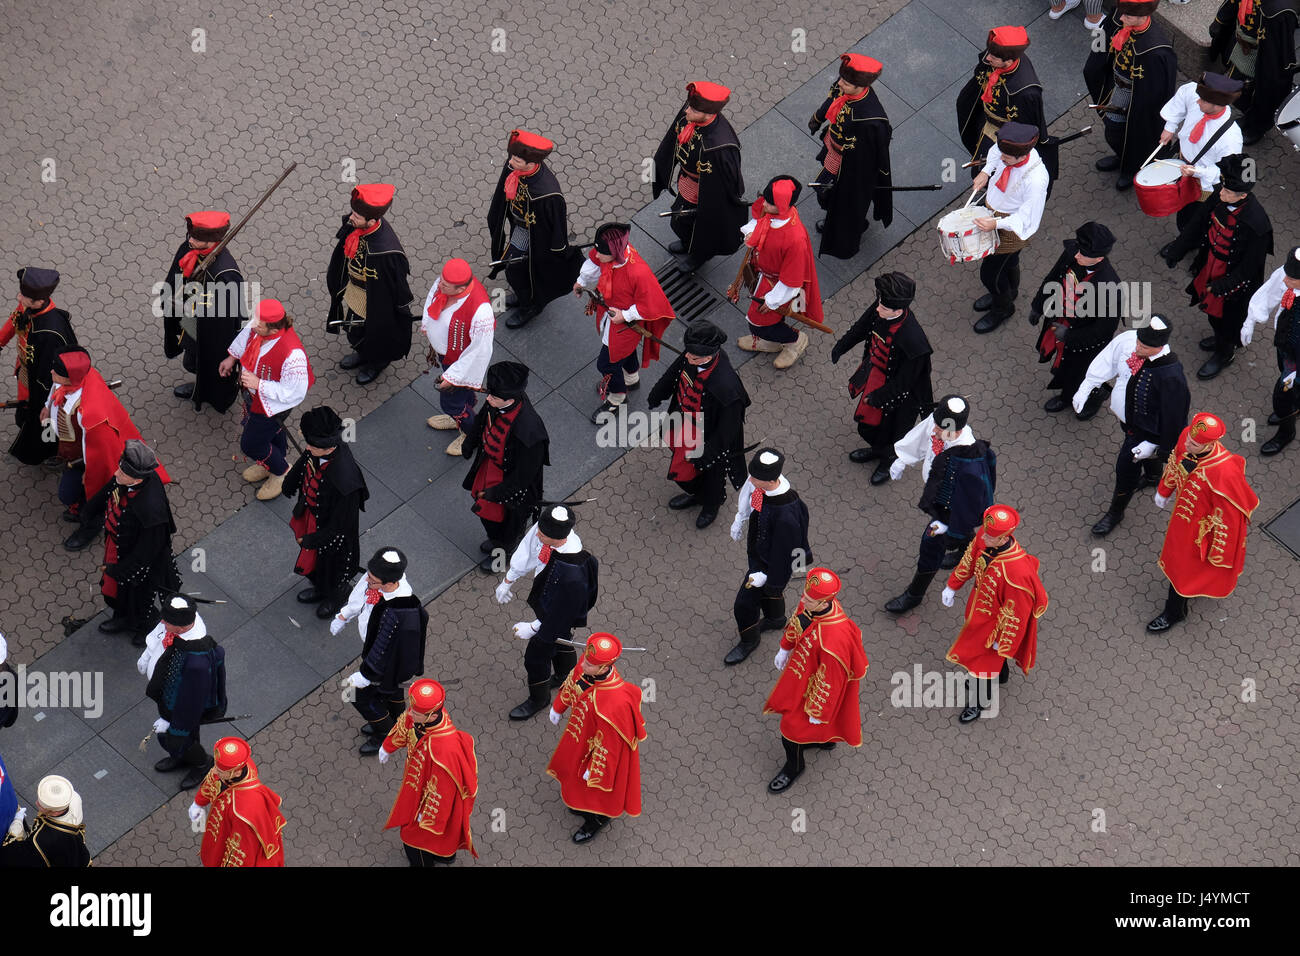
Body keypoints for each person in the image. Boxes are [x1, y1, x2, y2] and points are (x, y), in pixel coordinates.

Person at [1160, 154, 1273, 381]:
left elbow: (1249, 268)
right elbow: (1198, 222)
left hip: (1233, 283)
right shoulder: (1222, 197)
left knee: (1227, 320)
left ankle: (1225, 353)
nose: (1220, 193)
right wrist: (1177, 249)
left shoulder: (1257, 225)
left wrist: (1222, 287)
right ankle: (1222, 338)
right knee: (1214, 315)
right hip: (1211, 266)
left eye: (1228, 191)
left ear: (1243, 195)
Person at [1148, 412, 1259, 631]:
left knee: (1183, 570)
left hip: (1199, 532)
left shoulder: (1224, 473)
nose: (1187, 442)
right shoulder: (1188, 438)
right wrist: (1164, 490)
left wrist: (1217, 549)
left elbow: (1229, 518)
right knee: (1180, 563)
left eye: (1194, 443)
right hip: (1180, 519)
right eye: (1189, 437)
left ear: (1211, 444)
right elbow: (1175, 460)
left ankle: (1174, 611)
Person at [885, 395, 997, 612]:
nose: (934, 431)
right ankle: (965, 549)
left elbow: (971, 501)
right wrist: (902, 460)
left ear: (956, 432)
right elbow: (922, 435)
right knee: (951, 537)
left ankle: (914, 594)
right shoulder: (940, 423)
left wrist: (949, 522)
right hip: (938, 495)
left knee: (931, 544)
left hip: (948, 510)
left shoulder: (969, 462)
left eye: (940, 430)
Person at [941, 505, 1048, 724]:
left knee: (983, 669)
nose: (983, 536)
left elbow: (1017, 615)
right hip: (978, 612)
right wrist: (953, 585)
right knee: (987, 663)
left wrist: (1002, 642)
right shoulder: (986, 536)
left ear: (1004, 539)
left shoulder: (1017, 574)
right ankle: (1003, 674)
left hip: (995, 630)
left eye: (990, 536)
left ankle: (980, 701)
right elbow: (971, 559)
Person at [763, 568, 867, 792]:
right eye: (804, 595)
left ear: (824, 603)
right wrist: (785, 647)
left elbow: (830, 682)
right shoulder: (812, 604)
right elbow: (796, 623)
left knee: (789, 732)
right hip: (803, 674)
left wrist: (818, 713)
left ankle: (794, 767)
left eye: (808, 599)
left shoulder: (834, 640)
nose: (802, 600)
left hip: (813, 690)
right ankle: (824, 740)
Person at [51, 350, 171, 546]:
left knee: (93, 498)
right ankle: (80, 508)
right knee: (77, 493)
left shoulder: (92, 417)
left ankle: (90, 526)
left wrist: (88, 474)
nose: (51, 373)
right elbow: (55, 391)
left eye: (56, 372)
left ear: (69, 377)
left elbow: (98, 458)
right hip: (78, 450)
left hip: (92, 459)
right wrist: (48, 407)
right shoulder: (78, 377)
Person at [1088, 315, 1191, 536]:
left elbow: (1175, 419)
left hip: (1146, 435)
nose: (1137, 348)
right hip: (1134, 425)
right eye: (1137, 342)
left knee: (1125, 471)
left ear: (1159, 346)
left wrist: (1163, 449)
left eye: (1143, 345)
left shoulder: (1171, 376)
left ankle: (1116, 513)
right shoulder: (1146, 357)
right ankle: (1153, 476)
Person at [646, 318, 750, 529]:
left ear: (708, 356)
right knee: (684, 472)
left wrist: (707, 454)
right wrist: (657, 394)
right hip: (684, 425)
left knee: (711, 476)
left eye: (692, 356)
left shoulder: (727, 387)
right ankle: (696, 494)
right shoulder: (693, 356)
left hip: (709, 440)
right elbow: (674, 373)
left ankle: (711, 504)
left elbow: (727, 430)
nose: (686, 357)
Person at [831, 271, 932, 483]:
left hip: (901, 396)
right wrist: (842, 346)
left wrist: (877, 398)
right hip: (876, 377)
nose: (877, 309)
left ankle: (888, 462)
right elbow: (862, 325)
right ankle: (877, 450)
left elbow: (906, 382)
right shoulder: (883, 307)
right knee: (869, 426)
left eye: (883, 308)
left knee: (895, 434)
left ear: (898, 309)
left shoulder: (914, 341)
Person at [546, 633, 646, 844]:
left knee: (597, 791)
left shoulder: (617, 702)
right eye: (584, 659)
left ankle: (597, 820)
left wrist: (595, 766)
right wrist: (558, 707)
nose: (583, 664)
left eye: (590, 664)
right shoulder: (586, 668)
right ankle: (580, 804)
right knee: (573, 773)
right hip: (579, 738)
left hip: (599, 753)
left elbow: (611, 744)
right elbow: (572, 683)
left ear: (604, 668)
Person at [79, 440, 181, 646]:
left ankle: (145, 627)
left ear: (137, 477)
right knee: (120, 593)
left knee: (139, 598)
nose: (116, 474)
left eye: (122, 473)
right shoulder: (129, 478)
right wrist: (90, 510)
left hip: (141, 563)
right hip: (120, 547)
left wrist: (120, 570)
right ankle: (123, 618)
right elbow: (111, 488)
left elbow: (148, 551)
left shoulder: (151, 510)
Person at [503, 504, 598, 720]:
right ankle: (566, 676)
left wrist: (535, 626)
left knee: (535, 659)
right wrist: (509, 579)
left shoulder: (572, 571)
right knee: (562, 641)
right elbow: (529, 548)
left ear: (557, 538)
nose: (536, 533)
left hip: (557, 616)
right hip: (550, 607)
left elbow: (564, 610)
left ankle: (539, 699)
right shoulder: (548, 531)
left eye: (542, 534)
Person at [574, 222, 676, 423]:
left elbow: (650, 304)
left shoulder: (638, 272)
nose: (597, 254)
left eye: (601, 252)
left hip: (624, 325)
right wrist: (582, 282)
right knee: (624, 353)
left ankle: (618, 397)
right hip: (611, 315)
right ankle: (631, 378)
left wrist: (626, 315)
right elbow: (596, 262)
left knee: (606, 363)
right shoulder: (611, 253)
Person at [332, 548, 428, 755]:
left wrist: (366, 674)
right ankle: (398, 724)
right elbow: (361, 595)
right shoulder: (383, 583)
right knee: (392, 692)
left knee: (357, 695)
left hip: (388, 666)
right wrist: (344, 616)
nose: (367, 582)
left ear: (389, 583)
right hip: (384, 660)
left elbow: (384, 648)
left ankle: (385, 733)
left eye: (373, 580)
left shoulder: (400, 612)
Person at [219, 298, 314, 501]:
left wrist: (258, 383)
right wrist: (232, 358)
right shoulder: (259, 327)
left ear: (272, 329)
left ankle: (281, 471)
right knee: (270, 433)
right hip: (254, 397)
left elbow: (295, 392)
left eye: (258, 324)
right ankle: (271, 462)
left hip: (271, 405)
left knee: (251, 444)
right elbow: (245, 336)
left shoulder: (293, 355)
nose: (253, 325)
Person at [487, 130, 582, 329]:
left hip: (533, 236)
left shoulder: (547, 193)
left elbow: (556, 225)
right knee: (516, 269)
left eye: (516, 160)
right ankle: (523, 296)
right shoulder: (515, 167)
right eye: (512, 157)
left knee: (516, 269)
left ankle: (530, 305)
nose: (510, 162)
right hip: (518, 225)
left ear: (531, 164)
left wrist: (557, 251)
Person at [378, 679, 478, 865]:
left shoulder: (445, 751)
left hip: (427, 804)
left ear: (432, 716)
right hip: (418, 783)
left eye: (415, 712)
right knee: (443, 839)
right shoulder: (424, 715)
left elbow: (443, 792)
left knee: (413, 838)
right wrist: (388, 746)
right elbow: (406, 724)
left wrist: (427, 816)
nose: (410, 713)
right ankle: (445, 855)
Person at [727, 176, 824, 370]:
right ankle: (768, 340)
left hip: (778, 285)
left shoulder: (794, 240)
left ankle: (795, 340)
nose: (764, 204)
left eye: (770, 202)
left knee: (760, 321)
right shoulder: (774, 212)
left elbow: (791, 280)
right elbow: (760, 223)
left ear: (781, 205)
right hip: (764, 273)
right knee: (763, 320)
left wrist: (772, 301)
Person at [726, 449, 812, 666]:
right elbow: (752, 497)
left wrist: (770, 580)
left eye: (753, 478)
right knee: (766, 595)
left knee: (743, 605)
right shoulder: (764, 487)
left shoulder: (786, 516)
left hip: (767, 565)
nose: (749, 480)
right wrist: (741, 517)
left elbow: (785, 556)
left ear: (769, 480)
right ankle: (776, 619)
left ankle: (749, 640)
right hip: (760, 553)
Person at [461, 361, 549, 573]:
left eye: (493, 397)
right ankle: (495, 539)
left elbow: (523, 477)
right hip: (489, 468)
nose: (488, 399)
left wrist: (496, 493)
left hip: (510, 484)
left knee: (509, 528)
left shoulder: (530, 433)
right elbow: (482, 420)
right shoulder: (497, 400)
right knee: (487, 517)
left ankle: (503, 554)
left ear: (510, 399)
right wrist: (470, 442)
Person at [1028, 221, 1123, 415]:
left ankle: (1084, 396)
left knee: (1078, 373)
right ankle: (1068, 391)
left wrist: (1069, 336)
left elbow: (1103, 331)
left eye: (1083, 254)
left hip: (1084, 339)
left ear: (1099, 258)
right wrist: (1038, 305)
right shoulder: (1075, 253)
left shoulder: (1110, 287)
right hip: (1062, 321)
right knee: (1062, 364)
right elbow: (1053, 277)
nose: (1076, 255)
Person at [1084, 0, 1179, 191]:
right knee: (1116, 130)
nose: (1121, 18)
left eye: (1127, 16)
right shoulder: (1121, 17)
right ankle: (1123, 158)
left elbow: (1158, 91)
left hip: (1133, 95)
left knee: (1127, 132)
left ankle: (1132, 167)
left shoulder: (1156, 50)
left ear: (1143, 16)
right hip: (1115, 84)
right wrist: (1094, 67)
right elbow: (1102, 37)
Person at [284, 406, 368, 619]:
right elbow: (306, 460)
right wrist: (290, 481)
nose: (308, 447)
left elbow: (340, 527)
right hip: (315, 517)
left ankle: (336, 596)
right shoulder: (318, 449)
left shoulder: (345, 482)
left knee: (333, 569)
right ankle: (320, 588)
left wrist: (312, 540)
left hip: (334, 534)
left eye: (312, 445)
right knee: (315, 565)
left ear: (328, 448)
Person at [325, 183, 415, 384]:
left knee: (377, 334)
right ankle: (362, 353)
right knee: (356, 329)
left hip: (376, 300)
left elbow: (398, 286)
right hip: (356, 291)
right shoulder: (358, 225)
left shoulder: (388, 252)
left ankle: (376, 363)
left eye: (356, 216)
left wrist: (400, 313)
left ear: (372, 220)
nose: (351, 218)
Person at [652, 82, 747, 269]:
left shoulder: (719, 146)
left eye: (692, 109)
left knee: (702, 227)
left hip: (704, 192)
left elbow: (726, 183)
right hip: (687, 180)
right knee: (681, 220)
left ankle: (699, 256)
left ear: (709, 114)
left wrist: (707, 205)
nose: (686, 111)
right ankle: (688, 243)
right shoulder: (694, 114)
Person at [138, 594, 227, 789]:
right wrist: (146, 657)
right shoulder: (173, 624)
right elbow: (157, 636)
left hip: (180, 708)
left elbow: (191, 703)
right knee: (182, 740)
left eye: (167, 621)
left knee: (177, 738)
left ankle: (202, 763)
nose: (162, 622)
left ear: (181, 627)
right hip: (167, 699)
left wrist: (174, 724)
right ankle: (181, 757)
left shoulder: (197, 662)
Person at [809, 53, 893, 259]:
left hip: (850, 163)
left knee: (840, 197)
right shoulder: (844, 87)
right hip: (833, 147)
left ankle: (849, 226)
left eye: (845, 82)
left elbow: (871, 155)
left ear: (860, 86)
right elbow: (832, 99)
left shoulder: (872, 119)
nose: (840, 84)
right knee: (826, 191)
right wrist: (818, 118)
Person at [159, 211, 245, 411]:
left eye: (196, 237)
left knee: (208, 366)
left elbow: (229, 313)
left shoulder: (226, 273)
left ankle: (210, 393)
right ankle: (201, 386)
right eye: (191, 235)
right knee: (192, 362)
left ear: (210, 241)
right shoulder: (189, 248)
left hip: (211, 332)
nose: (190, 239)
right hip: (190, 322)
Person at [969, 122, 1050, 332]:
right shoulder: (1011, 151)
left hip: (1010, 226)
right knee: (1009, 261)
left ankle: (1003, 307)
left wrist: (995, 223)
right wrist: (986, 172)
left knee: (990, 274)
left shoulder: (1036, 179)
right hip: (994, 215)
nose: (1002, 160)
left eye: (1006, 159)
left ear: (1022, 156)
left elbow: (1025, 217)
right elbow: (996, 152)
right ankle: (1010, 291)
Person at [0, 267, 77, 464]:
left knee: (44, 425)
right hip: (26, 375)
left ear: (40, 301)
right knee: (24, 416)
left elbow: (51, 377)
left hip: (43, 388)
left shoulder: (51, 334)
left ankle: (52, 453)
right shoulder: (28, 307)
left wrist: (47, 404)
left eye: (23, 296)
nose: (18, 297)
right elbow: (14, 322)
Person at [421, 257, 494, 455]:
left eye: (445, 284)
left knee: (451, 401)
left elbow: (480, 351)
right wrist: (427, 323)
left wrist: (452, 377)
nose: (439, 284)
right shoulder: (445, 284)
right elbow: (432, 297)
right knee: (459, 399)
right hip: (447, 357)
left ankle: (471, 434)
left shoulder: (481, 313)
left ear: (460, 290)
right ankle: (459, 416)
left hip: (460, 364)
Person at [1158, 73, 1244, 229]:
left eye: (1202, 100)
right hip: (1182, 159)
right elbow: (1184, 95)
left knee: (1190, 217)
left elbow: (1225, 171)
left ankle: (1186, 239)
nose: (1197, 101)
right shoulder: (1197, 95)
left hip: (1201, 180)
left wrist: (1197, 172)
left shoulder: (1231, 138)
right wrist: (1170, 127)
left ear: (1217, 104)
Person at [956, 27, 1048, 173]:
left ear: (1009, 60)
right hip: (983, 113)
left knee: (982, 171)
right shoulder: (997, 55)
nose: (987, 58)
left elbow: (1025, 126)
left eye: (993, 57)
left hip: (1000, 130)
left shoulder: (1026, 92)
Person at [1208, 0, 1300, 144]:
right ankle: (1242, 111)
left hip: (1265, 52)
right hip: (1243, 42)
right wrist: (1220, 21)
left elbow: (1276, 64)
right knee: (1239, 82)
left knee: (1266, 88)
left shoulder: (1279, 12)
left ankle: (1254, 126)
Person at [188, 737, 286, 866]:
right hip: (221, 825)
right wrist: (198, 803)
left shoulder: (244, 812)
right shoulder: (238, 766)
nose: (215, 771)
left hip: (228, 836)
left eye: (221, 771)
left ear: (237, 772)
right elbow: (213, 780)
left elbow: (242, 851)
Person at [1241, 244, 1300, 455]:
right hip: (1285, 344)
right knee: (1285, 378)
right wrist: (1251, 320)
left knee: (1282, 396)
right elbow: (1270, 290)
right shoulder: (1289, 274)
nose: (1285, 281)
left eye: (1291, 280)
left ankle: (1287, 431)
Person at [0, 774, 91, 867]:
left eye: (41, 806)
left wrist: (17, 822)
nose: (36, 803)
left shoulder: (42, 839)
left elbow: (12, 856)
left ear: (55, 813)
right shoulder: (74, 799)